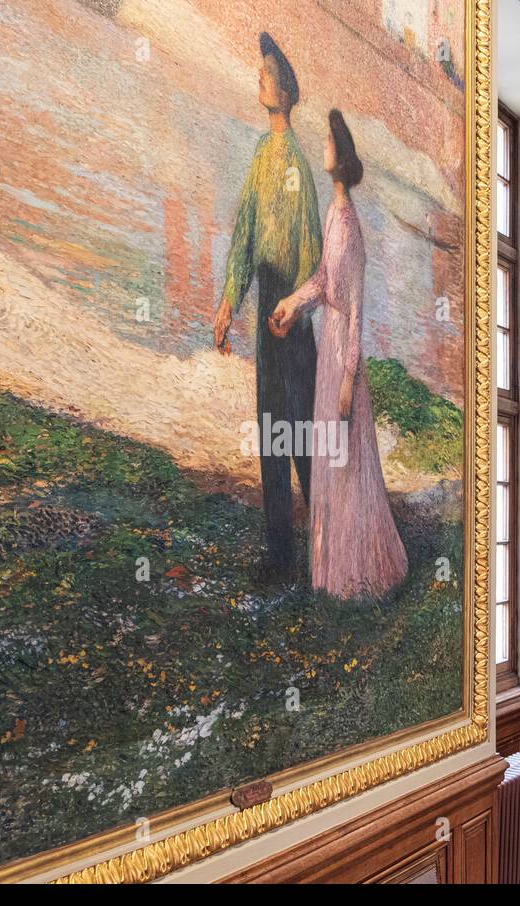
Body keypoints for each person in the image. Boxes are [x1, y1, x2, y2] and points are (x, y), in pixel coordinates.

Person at [269, 110, 407, 600]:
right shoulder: (334, 212)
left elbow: (353, 308)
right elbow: (325, 283)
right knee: (332, 460)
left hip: (341, 354)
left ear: (341, 156)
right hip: (330, 346)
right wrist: (291, 303)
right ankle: (331, 575)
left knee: (347, 464)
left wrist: (350, 375)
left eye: (328, 140)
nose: (322, 145)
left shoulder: (348, 223)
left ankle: (355, 574)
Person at [214, 33, 322, 579]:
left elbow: (313, 255)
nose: (258, 78)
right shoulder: (260, 154)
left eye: (266, 73)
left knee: (299, 435)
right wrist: (228, 300)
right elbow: (243, 236)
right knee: (270, 432)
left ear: (284, 90)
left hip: (293, 326)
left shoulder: (298, 164)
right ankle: (280, 555)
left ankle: (322, 555)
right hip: (265, 316)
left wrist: (294, 308)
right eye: (259, 72)